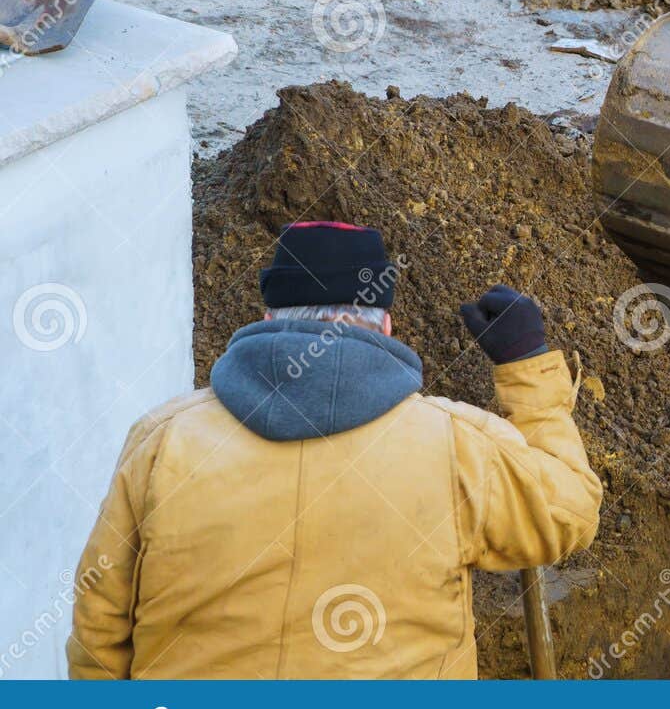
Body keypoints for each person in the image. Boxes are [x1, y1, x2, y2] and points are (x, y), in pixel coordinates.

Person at [66, 221, 601, 678]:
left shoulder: (163, 439)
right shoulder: (457, 444)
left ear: (270, 319)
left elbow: (100, 624)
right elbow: (569, 512)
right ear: (385, 325)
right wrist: (527, 364)